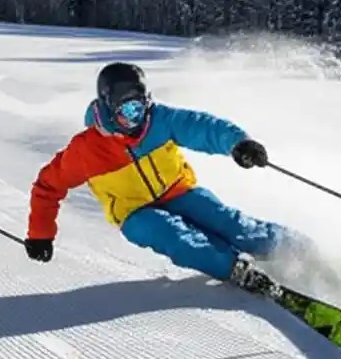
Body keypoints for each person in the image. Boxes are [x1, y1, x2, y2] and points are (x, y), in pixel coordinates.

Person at [25, 61, 285, 294]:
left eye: (139, 108)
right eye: (126, 112)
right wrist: (40, 234)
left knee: (232, 224)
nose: (135, 119)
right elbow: (48, 185)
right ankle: (235, 268)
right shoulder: (86, 149)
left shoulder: (159, 120)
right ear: (108, 106)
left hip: (179, 191)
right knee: (178, 239)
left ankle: (295, 248)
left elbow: (202, 127)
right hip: (135, 212)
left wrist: (238, 143)